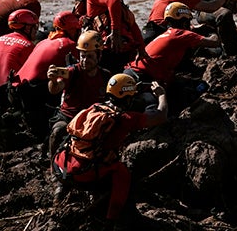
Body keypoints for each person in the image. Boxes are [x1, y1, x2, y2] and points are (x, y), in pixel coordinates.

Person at [53, 73, 167, 226]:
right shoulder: (126, 118)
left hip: (62, 166)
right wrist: (161, 95)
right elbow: (160, 116)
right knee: (123, 174)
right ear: (128, 98)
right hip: (85, 174)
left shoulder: (95, 107)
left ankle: (60, 190)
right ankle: (113, 219)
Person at [126, 2, 220, 111]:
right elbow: (214, 42)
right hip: (144, 80)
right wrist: (212, 31)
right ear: (185, 22)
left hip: (133, 75)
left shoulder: (168, 34)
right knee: (199, 87)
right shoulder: (181, 34)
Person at [60, 0, 147, 70]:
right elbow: (131, 22)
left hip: (112, 52)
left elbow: (114, 1)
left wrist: (115, 32)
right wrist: (142, 49)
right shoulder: (89, 3)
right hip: (121, 51)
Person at [13, 10, 82, 136]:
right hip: (35, 92)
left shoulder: (44, 41)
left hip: (18, 89)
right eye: (76, 29)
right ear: (72, 29)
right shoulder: (70, 44)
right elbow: (83, 69)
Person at [47, 30, 110, 158]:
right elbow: (55, 89)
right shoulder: (72, 72)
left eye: (90, 56)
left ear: (99, 56)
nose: (85, 60)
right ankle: (53, 165)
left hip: (91, 119)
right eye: (83, 56)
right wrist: (53, 80)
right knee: (58, 131)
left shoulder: (105, 76)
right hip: (68, 117)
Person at [0, 8, 39, 113]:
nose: (36, 30)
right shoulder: (28, 46)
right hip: (7, 92)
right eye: (34, 26)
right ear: (26, 27)